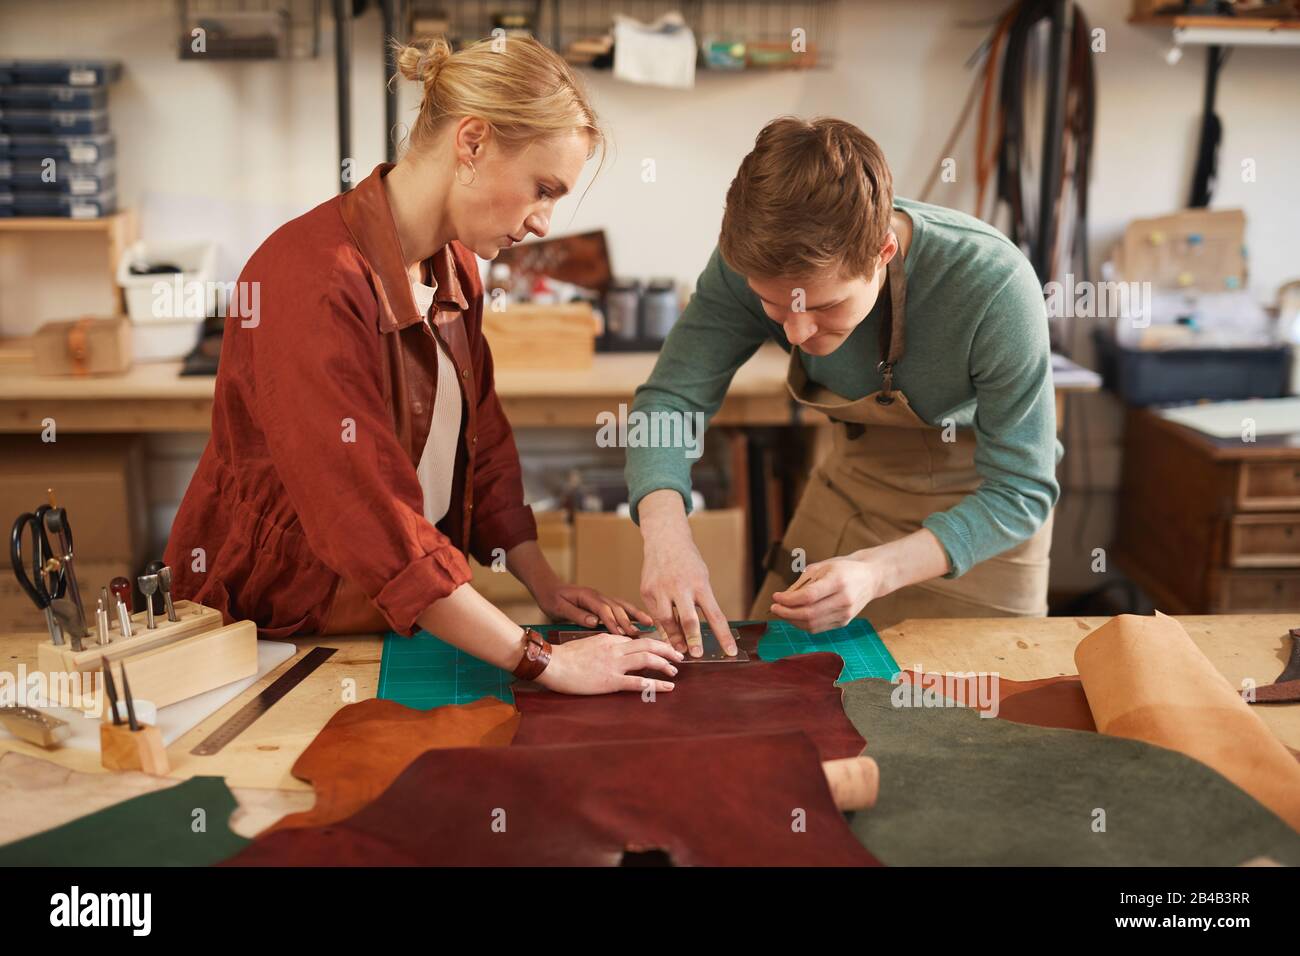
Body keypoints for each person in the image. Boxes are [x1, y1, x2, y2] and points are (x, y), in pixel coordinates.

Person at [166, 36, 680, 695]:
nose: (545, 223)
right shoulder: (312, 281)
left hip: (380, 612)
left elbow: (481, 437)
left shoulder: (452, 265)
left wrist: (546, 585)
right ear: (472, 143)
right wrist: (543, 661)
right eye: (542, 189)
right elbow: (366, 508)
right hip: (274, 627)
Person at [629, 116, 1060, 654]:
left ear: (882, 252)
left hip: (984, 510)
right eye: (772, 305)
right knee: (776, 683)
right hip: (854, 485)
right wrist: (666, 533)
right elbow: (672, 399)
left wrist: (878, 572)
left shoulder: (992, 283)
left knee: (983, 707)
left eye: (825, 305)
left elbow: (1022, 489)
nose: (796, 330)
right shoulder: (747, 265)